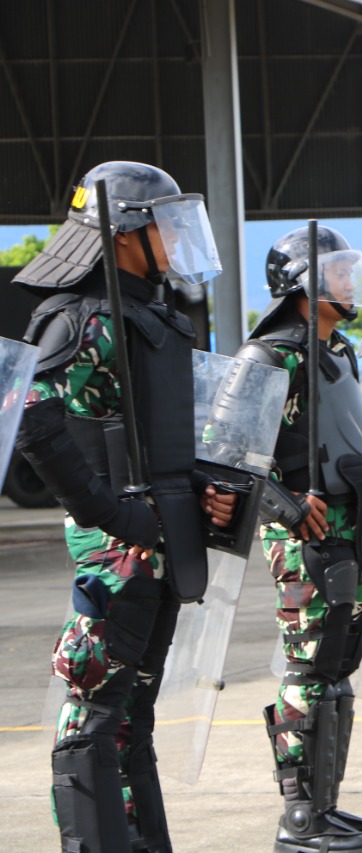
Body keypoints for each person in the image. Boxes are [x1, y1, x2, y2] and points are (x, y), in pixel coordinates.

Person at [14, 161, 233, 853]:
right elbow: (30, 416)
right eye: (164, 223)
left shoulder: (151, 313)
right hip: (120, 547)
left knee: (133, 710)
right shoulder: (79, 318)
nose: (176, 237)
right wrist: (110, 514)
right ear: (126, 233)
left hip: (163, 535)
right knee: (93, 710)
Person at [237, 224, 362, 853]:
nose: (349, 281)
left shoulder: (338, 349)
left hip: (353, 530)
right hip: (307, 537)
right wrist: (288, 509)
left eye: (348, 269)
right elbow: (231, 456)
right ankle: (300, 819)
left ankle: (328, 807)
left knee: (337, 670)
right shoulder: (268, 355)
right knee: (308, 671)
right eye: (336, 271)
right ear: (299, 285)